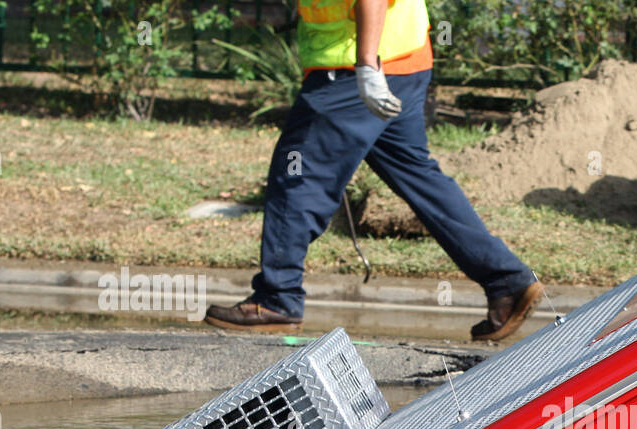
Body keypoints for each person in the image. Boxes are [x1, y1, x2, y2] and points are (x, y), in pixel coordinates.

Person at [206, 0, 543, 341]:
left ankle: (277, 297)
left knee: (296, 176)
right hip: (402, 62)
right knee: (418, 177)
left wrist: (367, 65)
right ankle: (507, 281)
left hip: (357, 71)